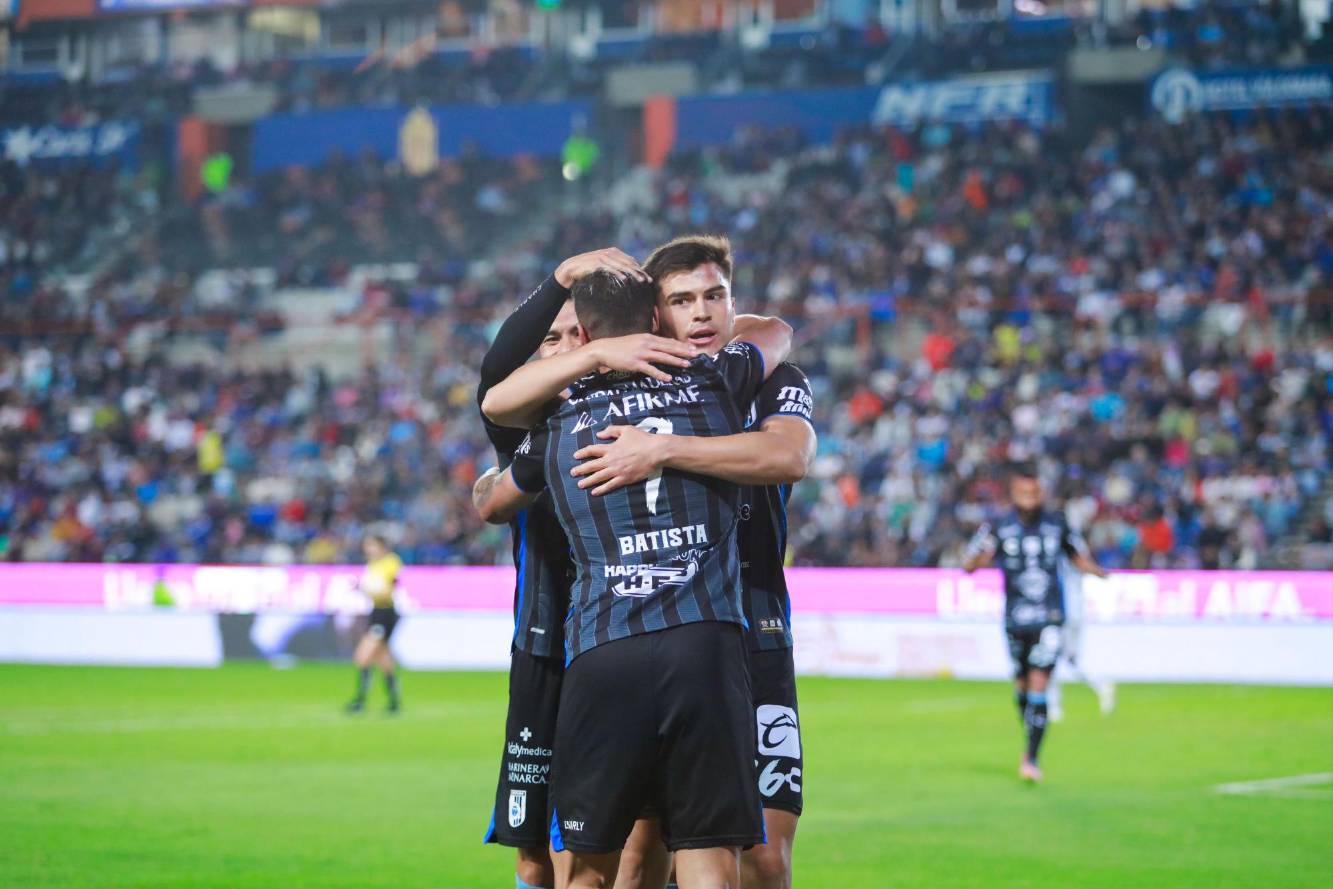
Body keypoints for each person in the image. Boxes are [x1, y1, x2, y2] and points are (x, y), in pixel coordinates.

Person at [476, 270, 792, 889]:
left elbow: (493, 419)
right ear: (654, 320)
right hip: (705, 645)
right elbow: (775, 333)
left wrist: (591, 358)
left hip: (601, 649)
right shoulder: (714, 381)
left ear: (589, 335)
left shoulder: (557, 418)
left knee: (587, 868)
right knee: (708, 855)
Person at [562, 236, 816, 889]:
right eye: (682, 300)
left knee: (764, 856)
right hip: (659, 630)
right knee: (640, 853)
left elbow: (786, 455)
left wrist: (663, 449)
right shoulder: (620, 389)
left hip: (757, 635)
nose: (701, 312)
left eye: (714, 296)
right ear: (654, 315)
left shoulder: (772, 379)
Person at [474, 248, 646, 889]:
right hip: (541, 649)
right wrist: (560, 279)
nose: (569, 346)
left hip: (617, 642)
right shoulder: (527, 424)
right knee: (530, 851)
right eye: (552, 339)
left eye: (580, 334)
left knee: (617, 842)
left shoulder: (639, 413)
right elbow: (493, 378)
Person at [962, 463, 1110, 782]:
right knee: (1022, 687)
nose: (1031, 498)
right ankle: (1030, 738)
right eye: (1025, 492)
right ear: (1014, 494)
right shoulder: (998, 526)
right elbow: (969, 565)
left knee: (1040, 681)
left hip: (1050, 616)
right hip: (1015, 617)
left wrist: (1099, 572)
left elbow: (1077, 557)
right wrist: (978, 557)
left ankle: (1031, 758)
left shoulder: (1057, 523)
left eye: (1035, 492)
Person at [346, 532, 404, 714]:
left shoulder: (391, 562)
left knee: (362, 656)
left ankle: (360, 700)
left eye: (371, 545)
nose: (367, 549)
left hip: (385, 613)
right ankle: (394, 702)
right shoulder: (372, 564)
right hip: (375, 611)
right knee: (383, 659)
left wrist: (365, 589)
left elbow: (389, 591)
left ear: (381, 546)